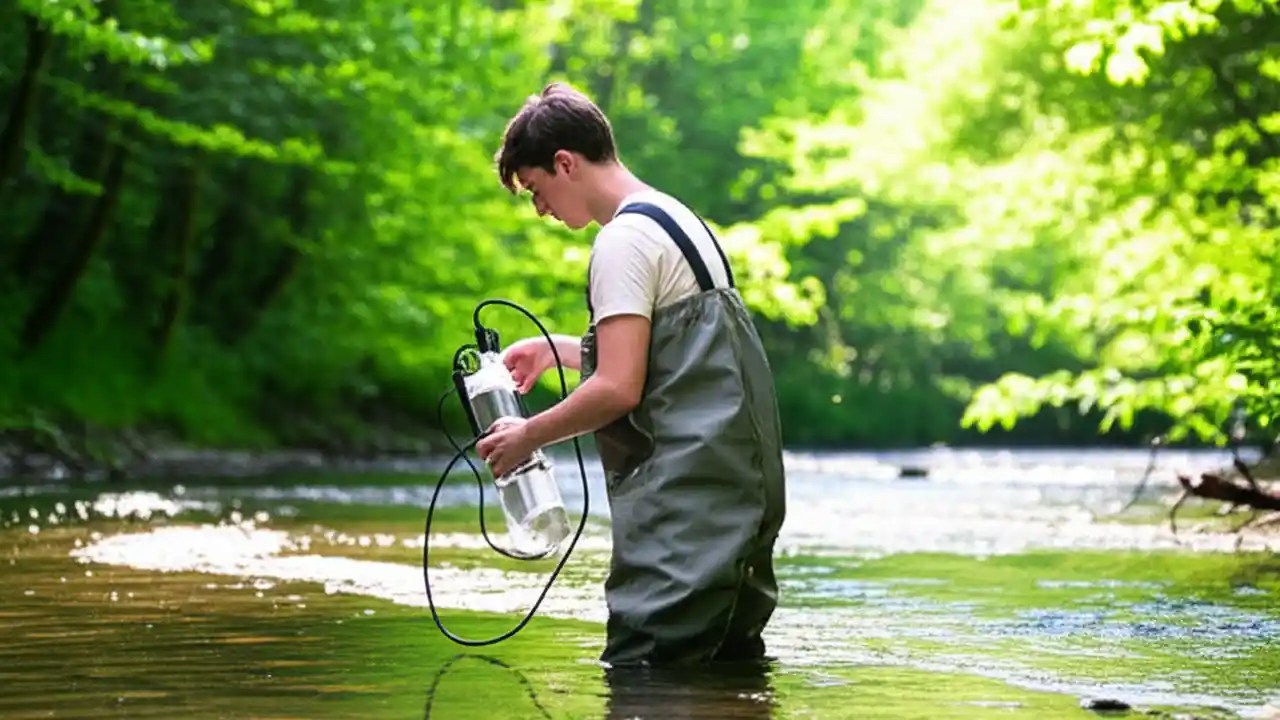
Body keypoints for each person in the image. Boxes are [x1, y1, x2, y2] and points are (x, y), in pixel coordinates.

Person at [475, 82, 787, 667]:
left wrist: (527, 436)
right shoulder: (673, 217)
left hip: (687, 510)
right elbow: (672, 356)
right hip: (736, 494)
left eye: (536, 190)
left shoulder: (621, 241)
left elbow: (620, 387)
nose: (540, 209)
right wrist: (559, 352)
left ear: (564, 163)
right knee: (726, 675)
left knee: (647, 675)